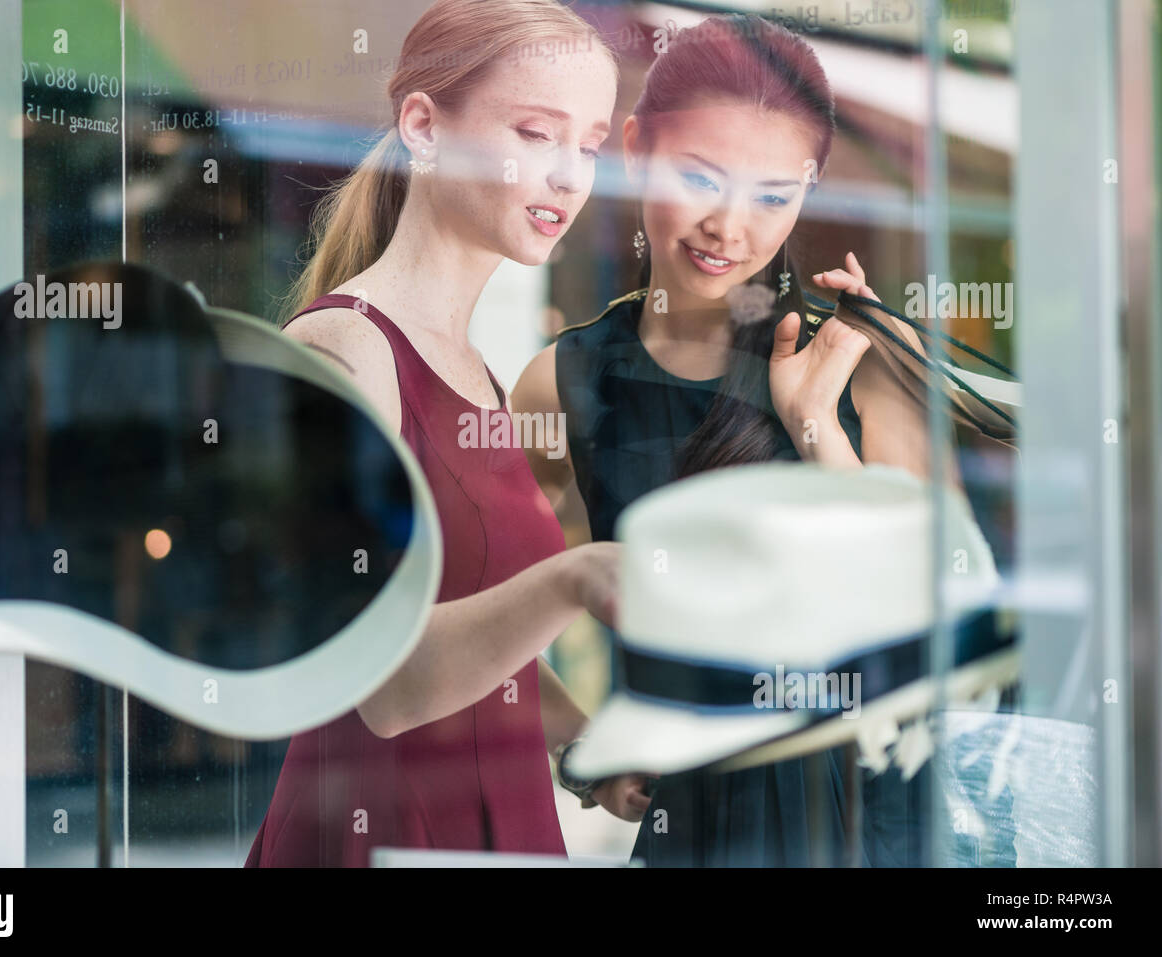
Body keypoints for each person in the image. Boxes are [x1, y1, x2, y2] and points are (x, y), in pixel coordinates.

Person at [512, 13, 958, 866]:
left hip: (866, 828)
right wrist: (585, 751)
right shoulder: (565, 383)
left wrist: (817, 426)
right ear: (637, 148)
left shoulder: (861, 358)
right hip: (693, 829)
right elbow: (477, 607)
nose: (729, 225)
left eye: (772, 194)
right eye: (699, 175)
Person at [245, 0, 648, 868]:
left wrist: (590, 748)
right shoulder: (344, 350)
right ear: (424, 126)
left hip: (493, 834)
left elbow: (480, 652)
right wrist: (575, 577)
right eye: (537, 134)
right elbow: (385, 684)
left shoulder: (476, 369)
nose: (572, 177)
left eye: (589, 144)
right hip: (383, 836)